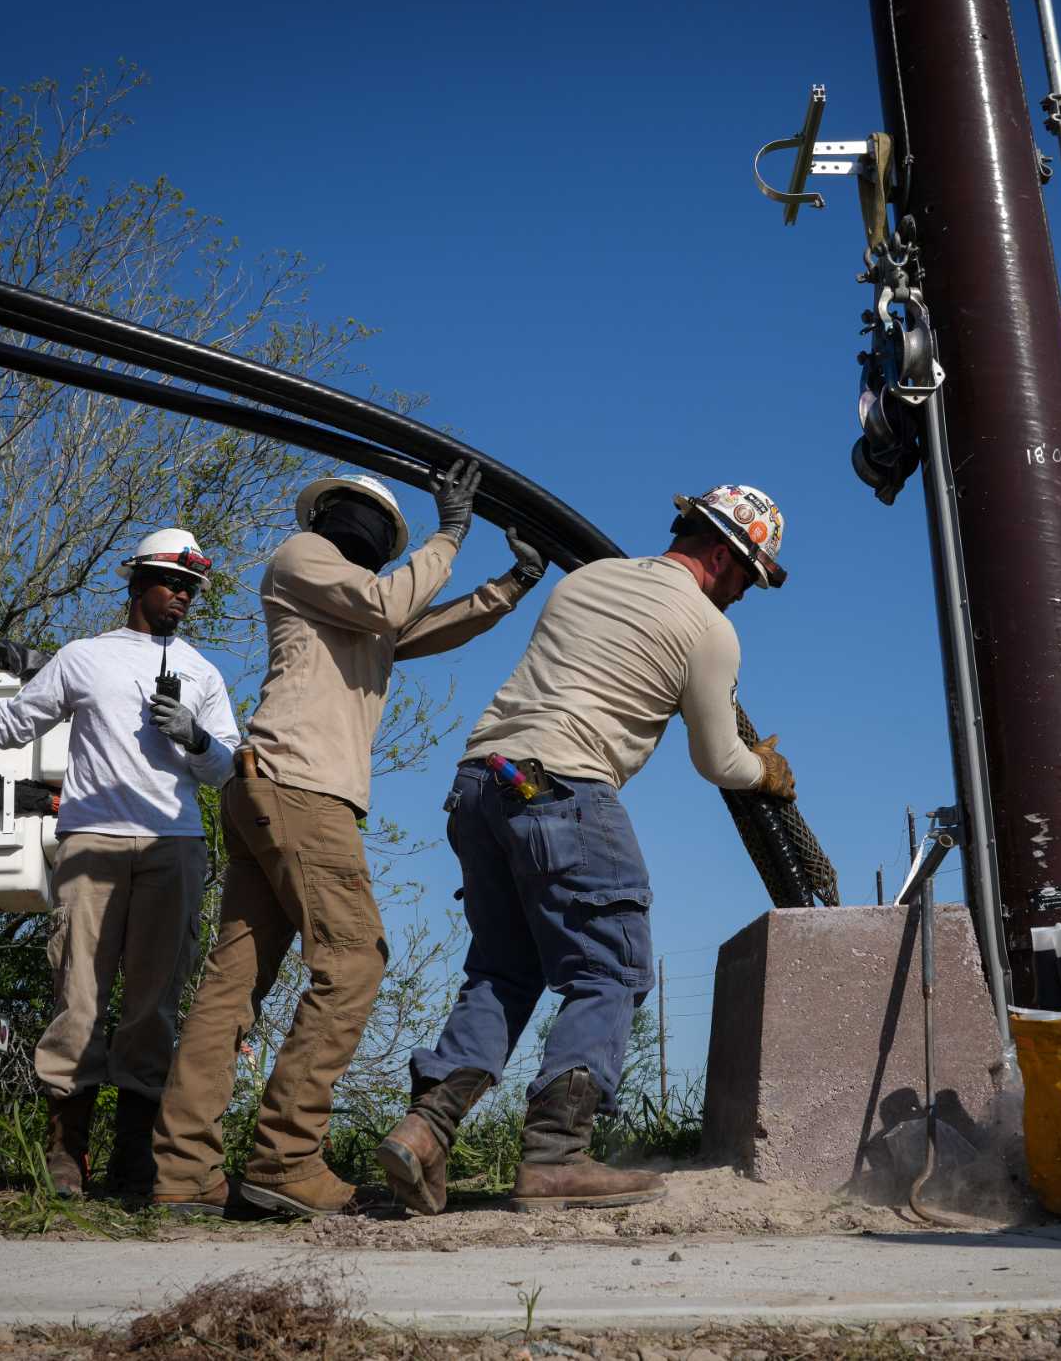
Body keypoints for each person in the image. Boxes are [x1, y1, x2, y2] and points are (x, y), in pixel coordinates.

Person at [378, 484, 796, 1215]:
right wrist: (766, 771)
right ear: (723, 554)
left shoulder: (589, 579)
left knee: (503, 971)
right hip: (565, 790)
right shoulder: (709, 629)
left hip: (482, 783)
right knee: (611, 967)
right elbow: (717, 758)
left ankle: (425, 1130)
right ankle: (555, 1156)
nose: (743, 596)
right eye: (747, 579)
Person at [149, 460, 547, 1219]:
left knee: (234, 985)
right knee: (354, 959)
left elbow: (423, 623)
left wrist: (514, 584)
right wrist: (452, 532)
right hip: (302, 789)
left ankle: (184, 1169)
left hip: (273, 790)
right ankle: (287, 1157)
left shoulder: (358, 610)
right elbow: (390, 601)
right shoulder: (303, 558)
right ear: (326, 517)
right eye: (358, 515)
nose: (363, 530)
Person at [0, 528, 240, 1199]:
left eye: (191, 588)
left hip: (174, 845)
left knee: (154, 1003)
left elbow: (225, 768)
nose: (183, 595)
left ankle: (134, 1159)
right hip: (91, 840)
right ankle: (67, 1154)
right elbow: (11, 725)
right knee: (78, 995)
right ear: (138, 582)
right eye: (172, 582)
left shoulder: (203, 673)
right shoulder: (85, 657)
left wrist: (194, 736)